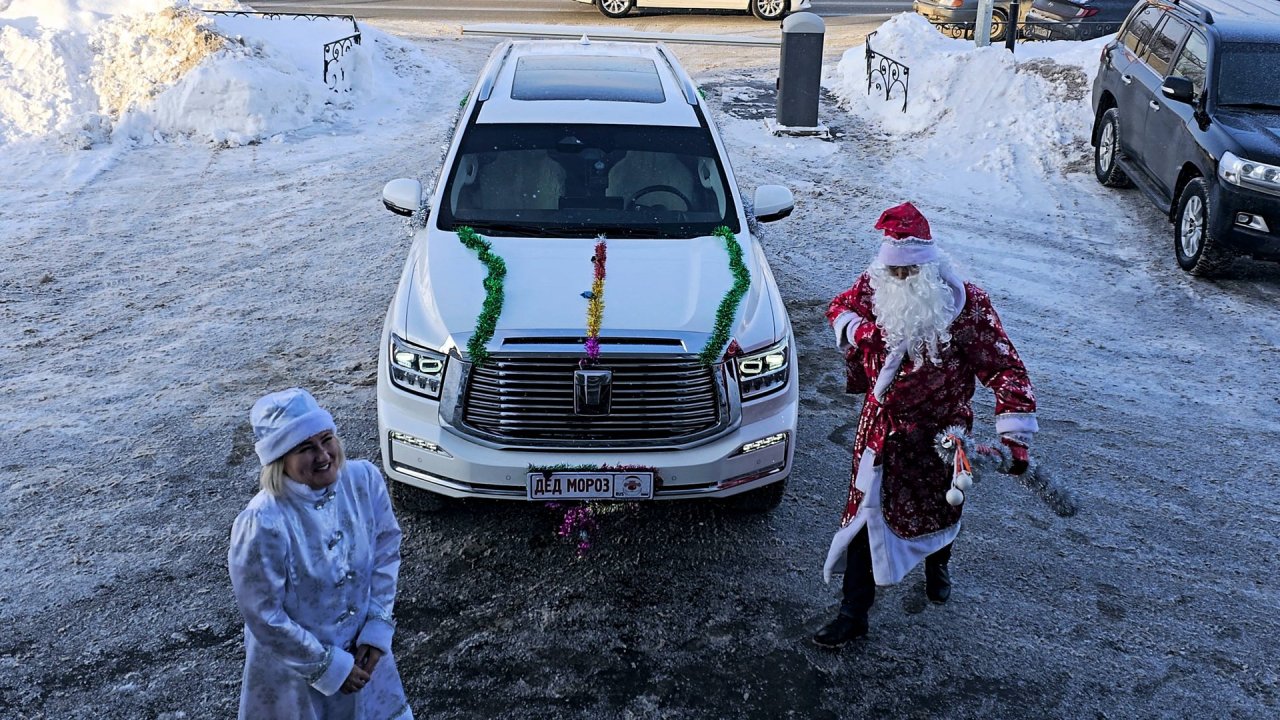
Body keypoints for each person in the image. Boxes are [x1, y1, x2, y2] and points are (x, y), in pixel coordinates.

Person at [812, 202, 1038, 648]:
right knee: (865, 513)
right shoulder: (874, 286)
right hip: (881, 430)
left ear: (929, 271)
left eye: (908, 275)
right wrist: (860, 332)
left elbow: (1006, 368)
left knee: (939, 507)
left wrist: (1014, 435)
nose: (899, 283)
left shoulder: (968, 306)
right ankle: (852, 613)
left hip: (939, 436)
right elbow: (839, 307)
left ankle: (938, 562)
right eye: (892, 275)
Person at [228, 387, 413, 718]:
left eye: (326, 439)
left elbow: (386, 552)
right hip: (296, 675)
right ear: (279, 460)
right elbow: (264, 616)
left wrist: (376, 627)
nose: (324, 455)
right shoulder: (263, 522)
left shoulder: (364, 482)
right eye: (304, 448)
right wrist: (328, 667)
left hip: (364, 657)